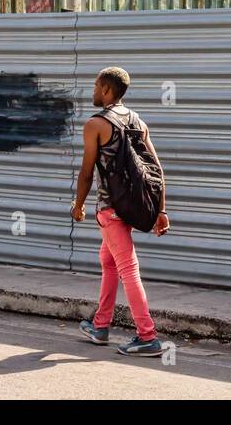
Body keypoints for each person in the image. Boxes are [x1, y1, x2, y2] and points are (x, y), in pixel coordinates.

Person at [71, 66, 170, 356]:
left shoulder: (96, 124)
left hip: (111, 209)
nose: (92, 91)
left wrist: (78, 206)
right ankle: (100, 326)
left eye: (94, 86)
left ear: (106, 89)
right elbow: (156, 168)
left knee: (127, 268)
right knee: (109, 261)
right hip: (131, 205)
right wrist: (160, 210)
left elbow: (87, 174)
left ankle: (147, 336)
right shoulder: (137, 121)